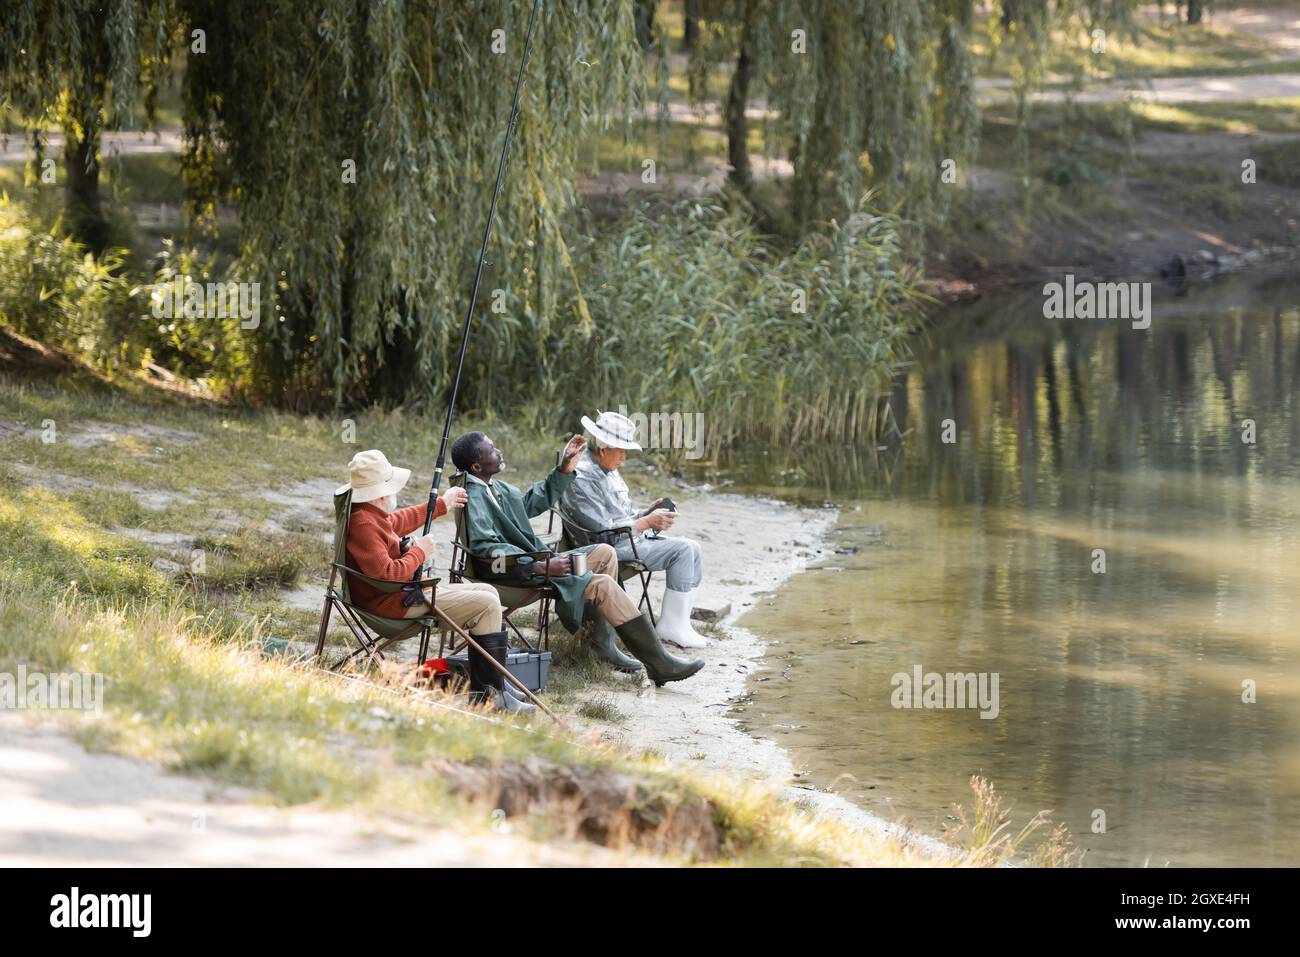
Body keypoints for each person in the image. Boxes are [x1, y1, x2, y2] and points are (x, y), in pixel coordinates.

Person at [450, 430, 704, 686]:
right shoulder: (473, 495)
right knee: (601, 584)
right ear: (477, 466)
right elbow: (486, 550)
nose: (499, 452)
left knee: (605, 552)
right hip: (510, 574)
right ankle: (659, 663)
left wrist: (564, 468)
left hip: (530, 564)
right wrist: (540, 565)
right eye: (492, 450)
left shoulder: (494, 487)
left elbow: (529, 503)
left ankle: (600, 645)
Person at [340, 449, 532, 714]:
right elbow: (387, 574)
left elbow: (397, 521)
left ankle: (492, 684)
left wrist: (442, 504)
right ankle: (490, 696)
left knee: (487, 591)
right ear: (381, 493)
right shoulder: (364, 524)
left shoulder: (369, 513)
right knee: (487, 603)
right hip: (393, 602)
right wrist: (420, 551)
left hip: (401, 593)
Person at [560, 410, 708, 649]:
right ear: (605, 447)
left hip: (626, 538)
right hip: (604, 549)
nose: (624, 458)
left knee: (694, 548)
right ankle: (671, 628)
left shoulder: (608, 471)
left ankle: (679, 623)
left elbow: (618, 516)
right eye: (621, 450)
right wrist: (646, 523)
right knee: (683, 550)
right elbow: (599, 528)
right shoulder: (583, 476)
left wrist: (646, 513)